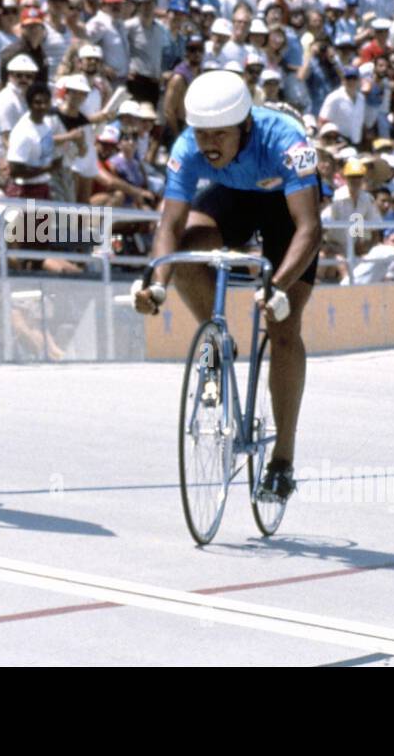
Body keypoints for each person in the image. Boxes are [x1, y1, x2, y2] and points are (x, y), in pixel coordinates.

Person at [133, 70, 322, 504]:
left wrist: (277, 286)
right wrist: (157, 284)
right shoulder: (188, 148)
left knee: (284, 328)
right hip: (233, 195)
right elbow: (170, 224)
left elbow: (309, 230)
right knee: (189, 249)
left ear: (246, 126)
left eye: (220, 134)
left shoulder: (286, 141)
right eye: (202, 135)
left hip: (286, 209)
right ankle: (217, 341)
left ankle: (282, 460)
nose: (209, 145)